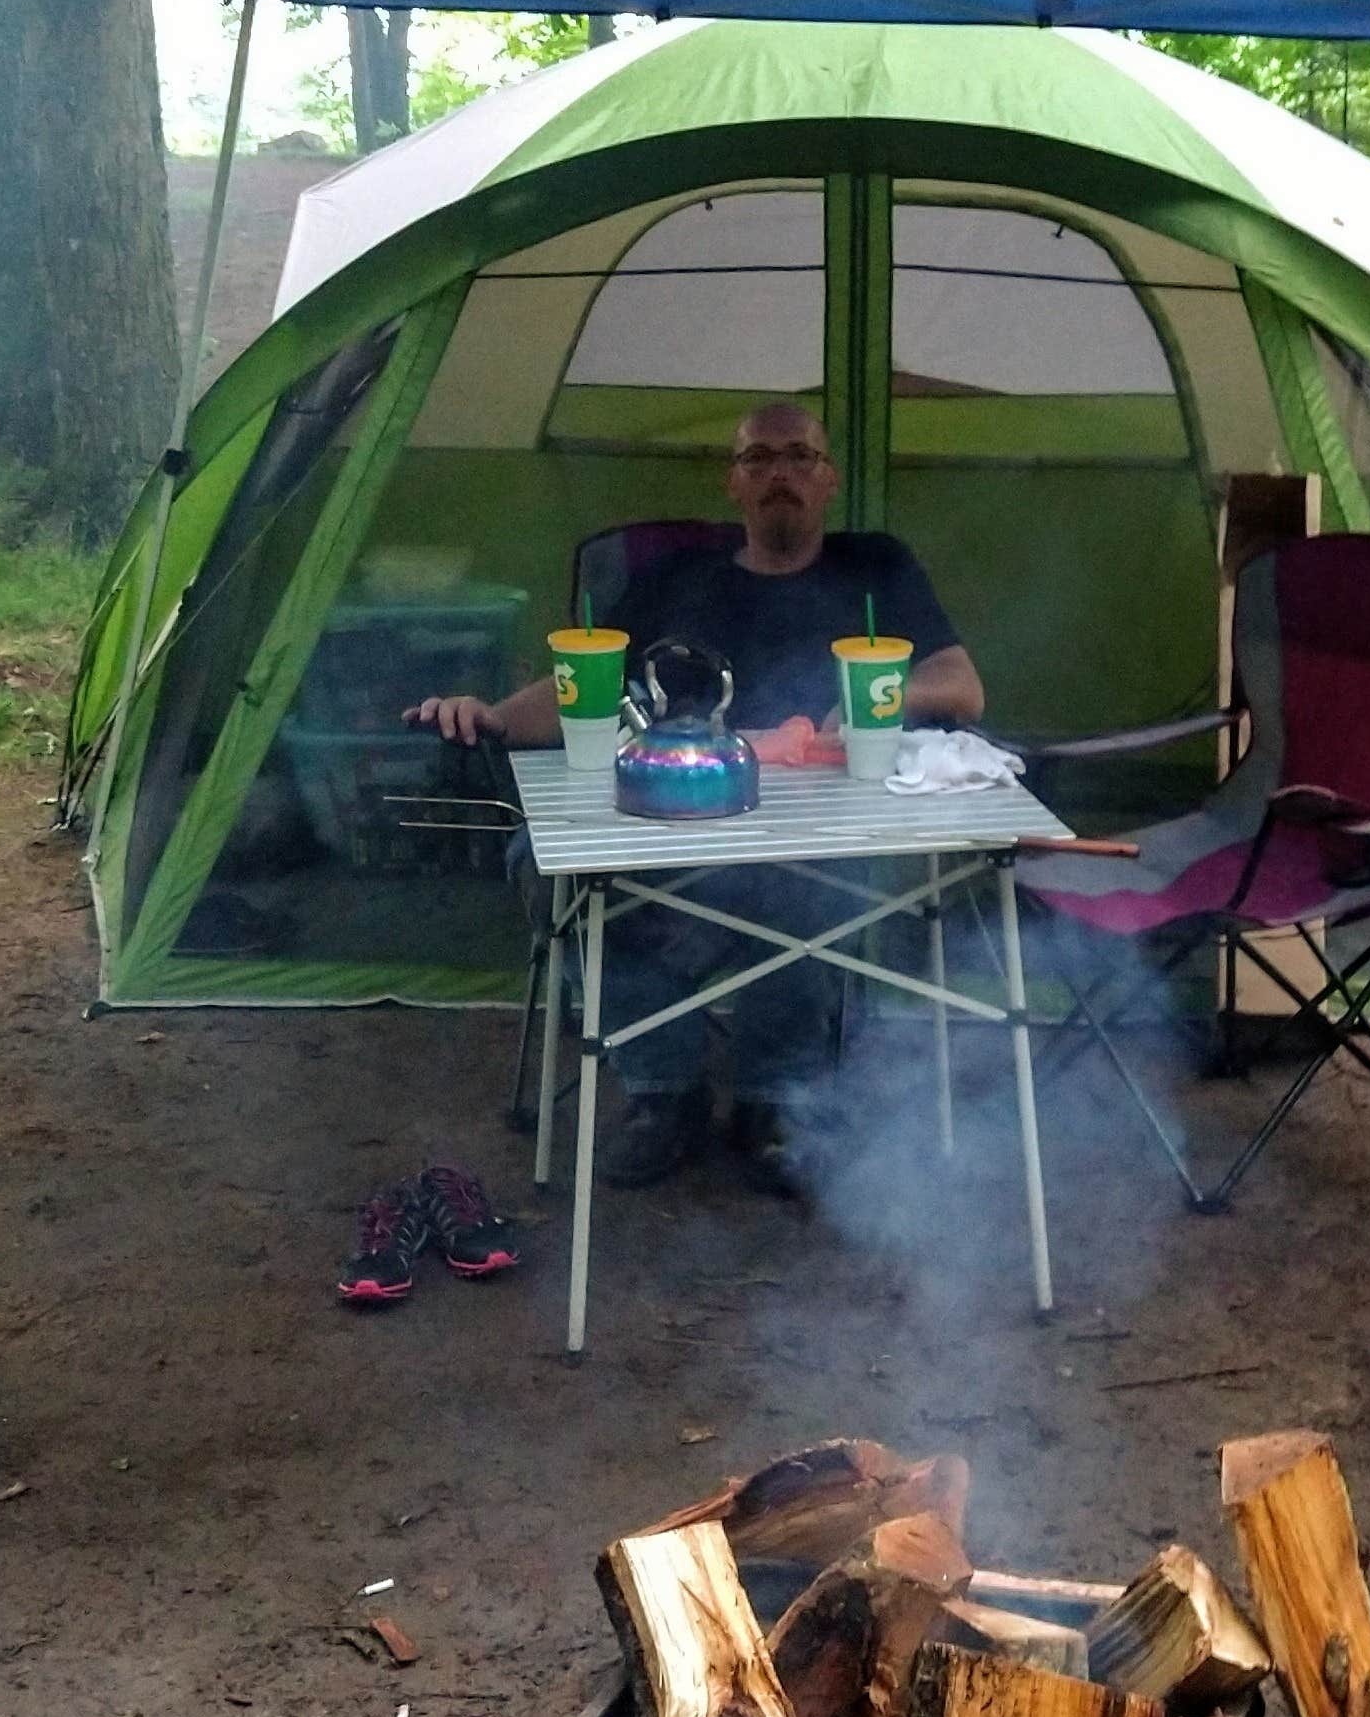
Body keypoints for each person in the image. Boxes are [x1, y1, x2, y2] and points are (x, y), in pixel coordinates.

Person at [414, 400, 983, 1199]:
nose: (779, 472)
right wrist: (493, 719)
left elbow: (960, 688)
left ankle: (774, 1099)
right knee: (548, 867)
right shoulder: (677, 577)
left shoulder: (875, 568)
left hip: (807, 813)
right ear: (733, 484)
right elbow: (588, 688)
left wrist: (875, 701)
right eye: (759, 459)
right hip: (670, 804)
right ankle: (664, 1091)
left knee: (808, 870)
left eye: (799, 456)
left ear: (828, 480)